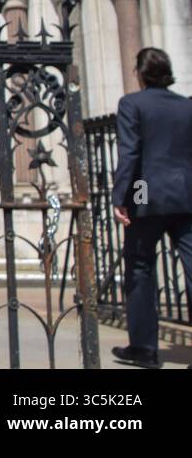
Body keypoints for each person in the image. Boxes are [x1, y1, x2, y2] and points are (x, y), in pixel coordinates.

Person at [110, 47, 192, 369]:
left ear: (140, 73)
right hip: (186, 194)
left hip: (146, 191)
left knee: (141, 264)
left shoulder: (132, 104)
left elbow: (131, 155)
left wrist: (121, 199)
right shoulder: (186, 106)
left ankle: (144, 347)